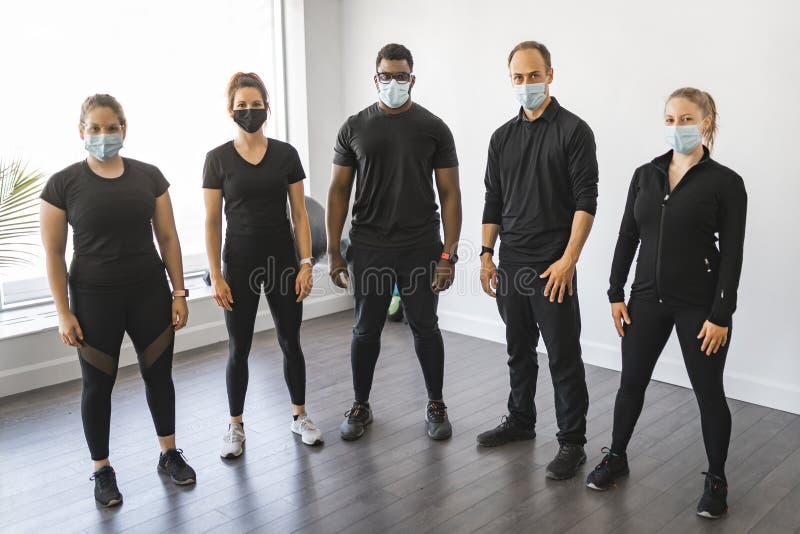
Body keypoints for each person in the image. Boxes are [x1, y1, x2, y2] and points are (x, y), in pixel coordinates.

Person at [585, 88, 747, 520]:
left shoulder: (726, 183)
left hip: (699, 306)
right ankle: (616, 455)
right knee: (631, 384)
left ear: (707, 122)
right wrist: (615, 292)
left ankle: (716, 479)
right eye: (671, 119)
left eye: (687, 119)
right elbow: (626, 235)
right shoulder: (645, 174)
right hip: (645, 301)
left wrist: (720, 315)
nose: (678, 127)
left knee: (708, 395)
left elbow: (732, 255)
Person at [40, 94, 196, 507]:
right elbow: (54, 254)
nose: (104, 135)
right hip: (93, 300)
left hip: (149, 294)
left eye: (112, 127)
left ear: (124, 130)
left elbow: (168, 238)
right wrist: (62, 312)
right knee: (97, 386)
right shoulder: (62, 184)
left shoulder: (150, 177)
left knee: (159, 376)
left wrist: (179, 292)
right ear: (81, 131)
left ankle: (169, 454)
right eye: (95, 128)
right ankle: (102, 470)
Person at [327, 43, 462, 441]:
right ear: (376, 78)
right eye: (386, 75)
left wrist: (448, 255)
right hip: (368, 245)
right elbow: (338, 190)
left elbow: (451, 192)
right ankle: (360, 404)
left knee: (425, 327)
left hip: (421, 244)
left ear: (412, 79)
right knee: (365, 330)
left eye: (401, 76)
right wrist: (335, 251)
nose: (393, 82)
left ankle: (436, 403)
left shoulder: (434, 128)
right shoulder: (354, 127)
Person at [477, 41, 598, 481]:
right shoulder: (501, 137)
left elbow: (587, 201)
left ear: (550, 74)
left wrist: (569, 260)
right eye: (519, 77)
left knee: (564, 356)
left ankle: (572, 443)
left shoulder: (573, 131)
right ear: (510, 80)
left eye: (534, 75)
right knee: (518, 350)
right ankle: (521, 421)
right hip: (510, 263)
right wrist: (487, 256)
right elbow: (493, 200)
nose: (527, 83)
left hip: (553, 266)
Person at [203, 72, 322, 457]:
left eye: (256, 106)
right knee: (239, 347)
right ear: (230, 110)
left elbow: (300, 215)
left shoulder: (286, 155)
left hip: (282, 262)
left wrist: (306, 265)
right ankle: (235, 427)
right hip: (238, 264)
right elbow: (211, 221)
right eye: (242, 106)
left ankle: (300, 415)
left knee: (292, 342)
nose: (249, 112)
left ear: (267, 109)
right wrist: (217, 275)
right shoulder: (217, 159)